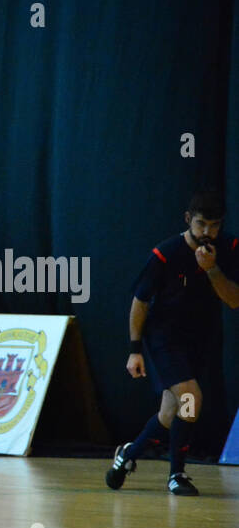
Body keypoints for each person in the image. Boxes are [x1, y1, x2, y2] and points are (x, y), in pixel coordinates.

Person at [106, 190, 239, 495]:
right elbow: (139, 302)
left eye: (215, 225)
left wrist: (212, 269)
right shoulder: (164, 254)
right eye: (202, 223)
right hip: (164, 338)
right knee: (192, 398)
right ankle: (176, 475)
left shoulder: (229, 248)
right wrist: (134, 350)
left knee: (170, 414)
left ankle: (128, 454)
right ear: (188, 219)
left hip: (201, 339)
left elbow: (233, 300)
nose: (208, 232)